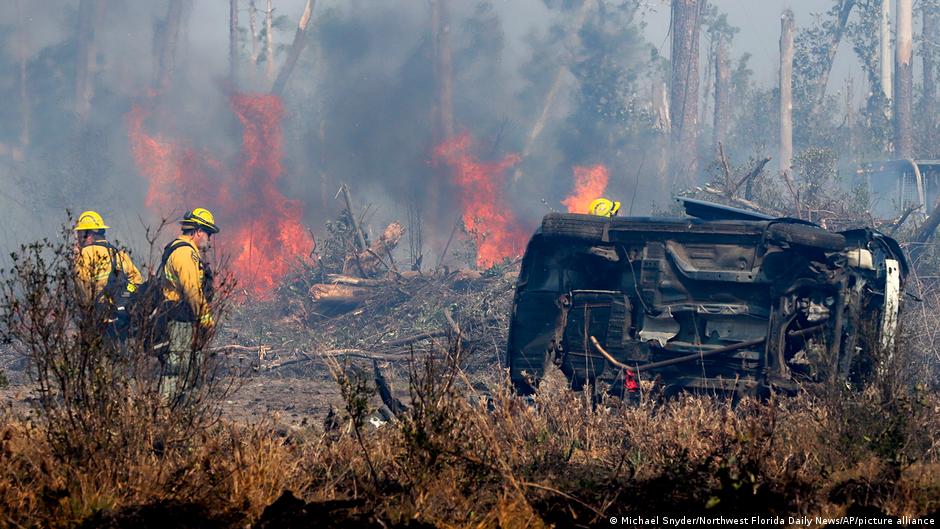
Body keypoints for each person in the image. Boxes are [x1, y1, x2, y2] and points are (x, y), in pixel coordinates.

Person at [156, 207, 219, 398]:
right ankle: (167, 411)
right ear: (198, 231)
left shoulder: (179, 249)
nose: (209, 239)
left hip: (182, 318)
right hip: (181, 319)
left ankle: (180, 414)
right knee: (178, 367)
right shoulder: (185, 253)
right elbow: (192, 290)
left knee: (189, 367)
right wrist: (206, 319)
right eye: (208, 234)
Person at [73, 210, 144, 336]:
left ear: (88, 235)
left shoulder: (83, 256)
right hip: (121, 318)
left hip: (98, 320)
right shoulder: (118, 254)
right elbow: (137, 282)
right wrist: (125, 293)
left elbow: (83, 290)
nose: (78, 240)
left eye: (79, 235)